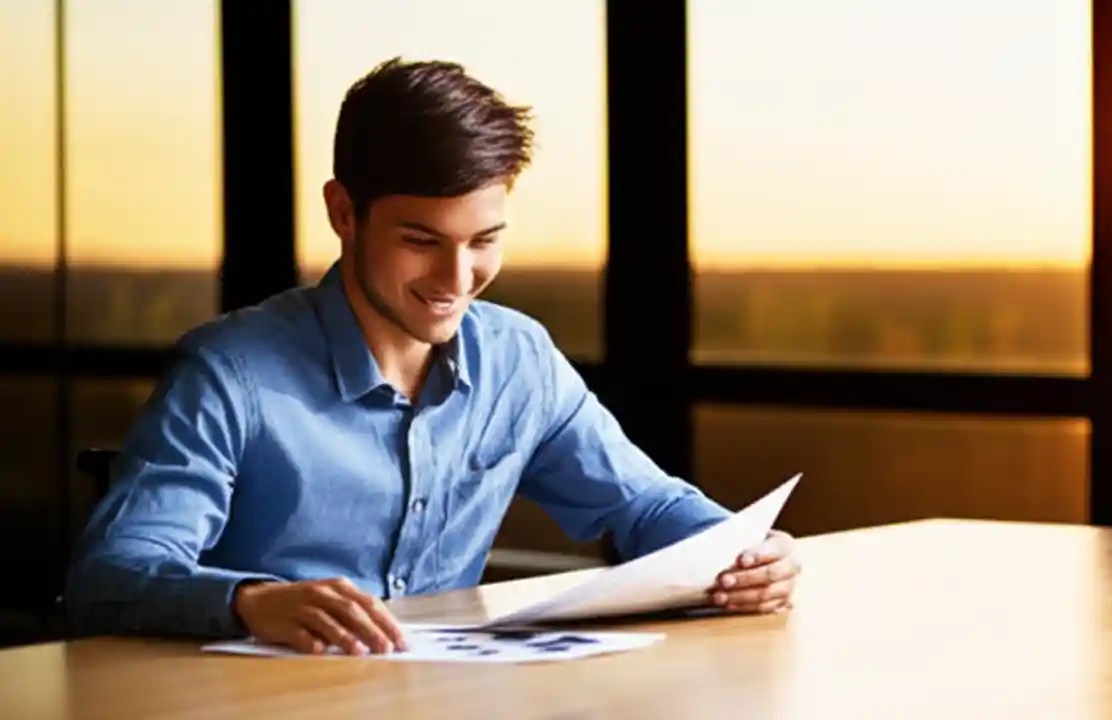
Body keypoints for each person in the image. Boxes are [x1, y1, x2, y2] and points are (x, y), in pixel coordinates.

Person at [64, 58, 800, 655]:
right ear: (344, 213)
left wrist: (741, 554)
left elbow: (643, 504)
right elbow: (111, 575)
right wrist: (250, 602)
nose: (456, 282)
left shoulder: (519, 360)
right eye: (421, 241)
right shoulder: (231, 373)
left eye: (483, 242)